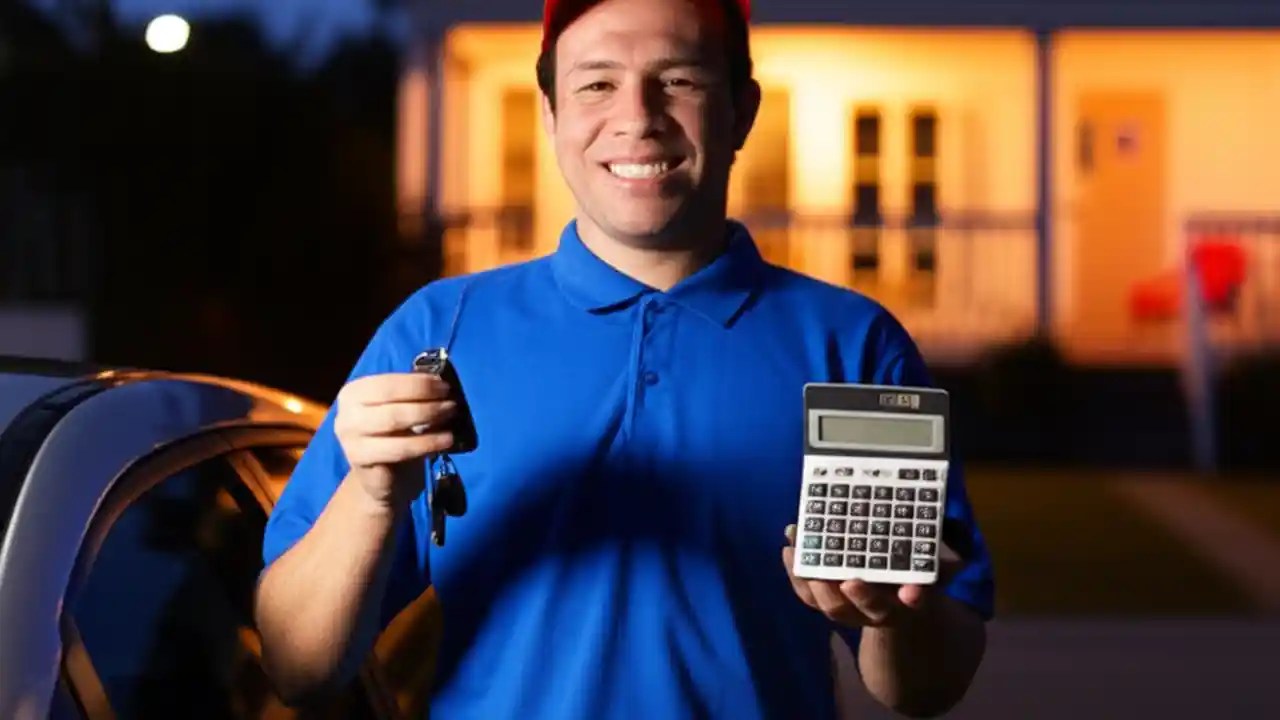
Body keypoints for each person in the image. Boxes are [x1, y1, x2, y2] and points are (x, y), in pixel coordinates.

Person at [254, 0, 995, 717]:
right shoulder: (438, 332)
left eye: (679, 79)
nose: (638, 117)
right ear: (551, 116)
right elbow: (298, 668)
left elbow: (926, 690)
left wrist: (892, 614)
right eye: (597, 84)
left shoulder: (851, 344)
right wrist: (373, 497)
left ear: (741, 111)